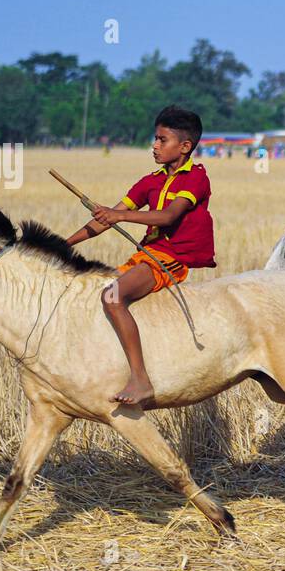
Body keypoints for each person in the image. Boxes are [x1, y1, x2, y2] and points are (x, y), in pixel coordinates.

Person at [65, 106, 215, 406]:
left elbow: (169, 216)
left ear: (185, 147)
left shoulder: (195, 179)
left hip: (168, 259)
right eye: (155, 139)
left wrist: (119, 216)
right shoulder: (150, 181)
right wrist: (63, 243)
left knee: (113, 297)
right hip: (146, 255)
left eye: (162, 140)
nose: (154, 146)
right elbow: (106, 218)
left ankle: (140, 379)